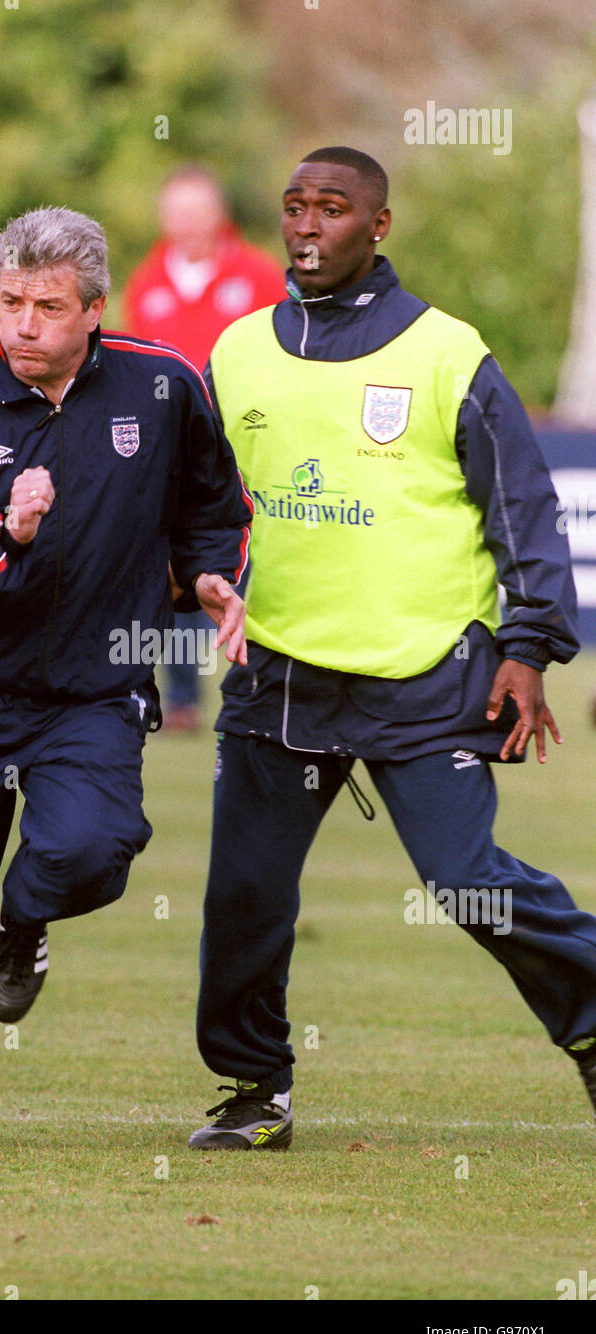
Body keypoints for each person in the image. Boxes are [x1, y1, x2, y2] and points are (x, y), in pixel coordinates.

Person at [188, 146, 596, 1151]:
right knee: (244, 891)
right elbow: (192, 499)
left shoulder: (446, 352)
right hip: (280, 679)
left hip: (425, 680)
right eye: (292, 207)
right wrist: (188, 572)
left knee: (468, 880)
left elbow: (525, 513)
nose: (306, 225)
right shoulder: (235, 350)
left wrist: (528, 647)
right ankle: (255, 1091)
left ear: (377, 227)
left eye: (331, 208)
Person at [0, 206, 251, 1151]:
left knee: (88, 849)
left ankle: (26, 921)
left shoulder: (163, 388)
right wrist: (5, 530)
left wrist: (210, 575)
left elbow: (215, 502)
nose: (24, 326)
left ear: (93, 308)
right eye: (10, 303)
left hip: (94, 686)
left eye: (48, 306)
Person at [123, 167, 282, 729]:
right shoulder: (147, 282)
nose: (188, 221)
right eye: (177, 210)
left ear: (220, 213)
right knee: (181, 567)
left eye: (198, 209)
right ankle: (183, 697)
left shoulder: (259, 275)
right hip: (171, 451)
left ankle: (261, 679)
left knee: (255, 562)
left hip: (249, 446)